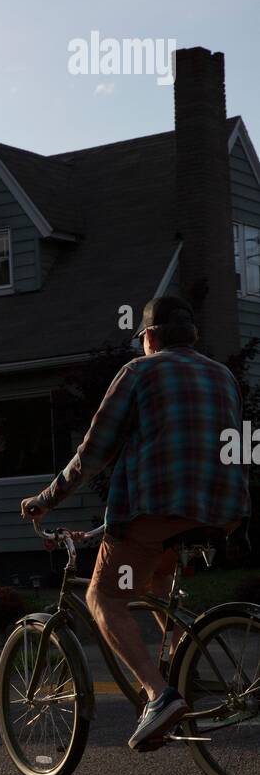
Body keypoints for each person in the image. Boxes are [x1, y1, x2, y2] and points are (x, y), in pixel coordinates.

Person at [20, 296, 251, 750]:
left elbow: (93, 452)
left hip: (157, 510)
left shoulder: (138, 372)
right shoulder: (222, 375)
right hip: (220, 509)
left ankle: (159, 694)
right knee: (155, 582)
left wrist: (47, 499)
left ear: (148, 337)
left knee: (102, 595)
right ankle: (191, 672)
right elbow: (189, 458)